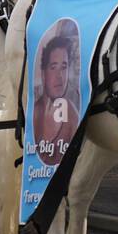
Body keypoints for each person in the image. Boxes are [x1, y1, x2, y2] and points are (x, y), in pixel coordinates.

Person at [33, 33, 77, 166]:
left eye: (64, 67)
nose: (60, 76)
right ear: (43, 73)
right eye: (53, 67)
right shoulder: (32, 112)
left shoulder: (73, 117)